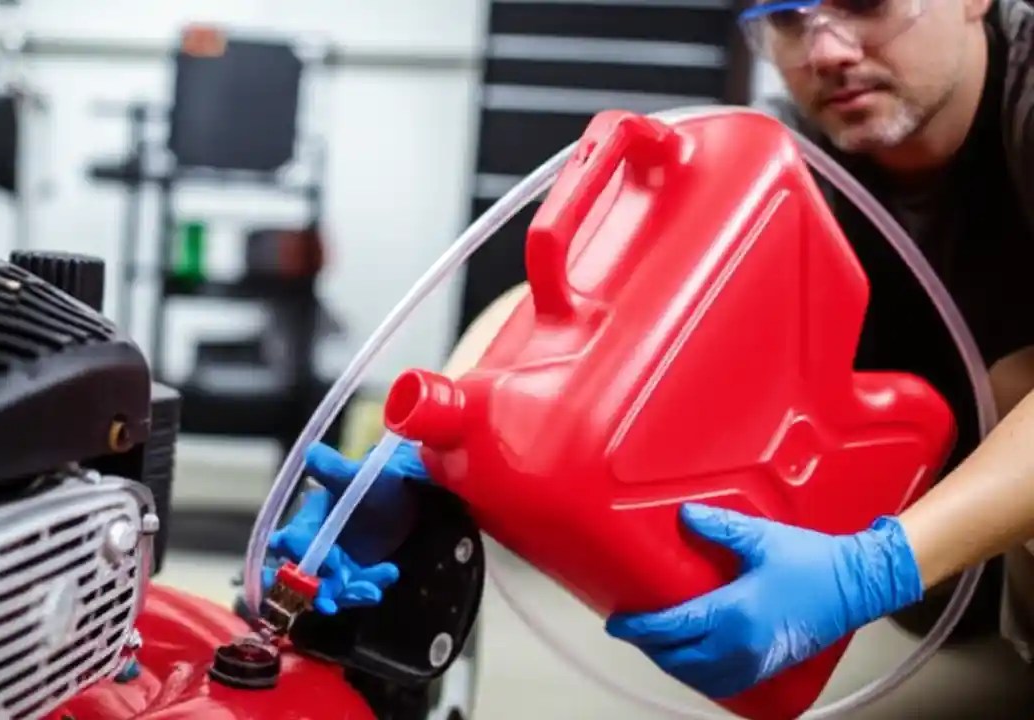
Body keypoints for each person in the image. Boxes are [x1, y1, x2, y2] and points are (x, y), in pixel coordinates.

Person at [264, 0, 1034, 703]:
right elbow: (576, 312)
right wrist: (424, 453)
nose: (827, 48)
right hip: (940, 519)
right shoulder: (793, 164)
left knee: (1015, 379)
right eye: (788, 19)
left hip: (982, 499)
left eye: (864, 3)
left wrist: (878, 568)